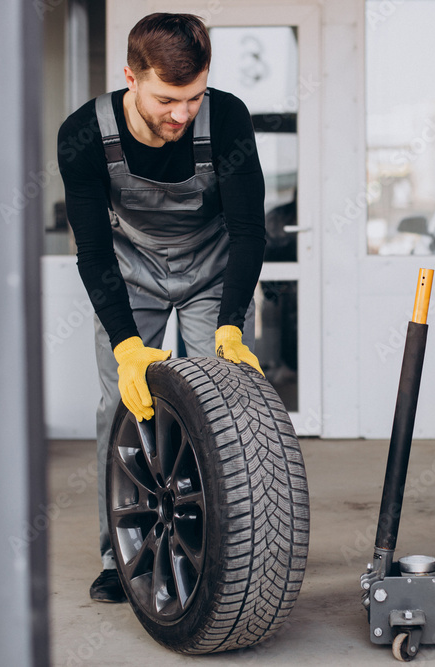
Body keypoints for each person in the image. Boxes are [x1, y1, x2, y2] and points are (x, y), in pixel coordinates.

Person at [57, 12, 266, 603]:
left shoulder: (225, 118)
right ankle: (119, 555)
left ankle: (227, 545)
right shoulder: (83, 135)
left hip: (211, 273)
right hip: (129, 275)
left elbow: (250, 229)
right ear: (130, 77)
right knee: (121, 407)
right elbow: (93, 249)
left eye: (194, 96)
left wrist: (229, 327)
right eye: (168, 99)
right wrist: (126, 344)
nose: (182, 113)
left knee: (223, 405)